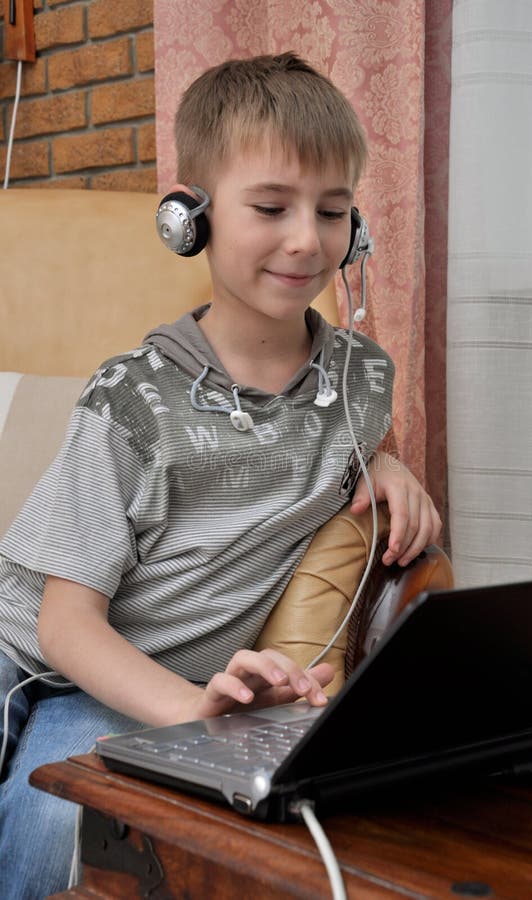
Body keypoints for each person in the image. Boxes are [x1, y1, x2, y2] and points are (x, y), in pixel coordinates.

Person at [0, 52, 441, 898]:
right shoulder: (130, 399)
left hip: (141, 683)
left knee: (68, 819)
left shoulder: (362, 381)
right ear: (188, 218)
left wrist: (384, 462)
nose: (308, 239)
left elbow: (310, 446)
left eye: (335, 210)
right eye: (271, 207)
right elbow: (64, 626)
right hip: (39, 647)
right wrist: (186, 714)